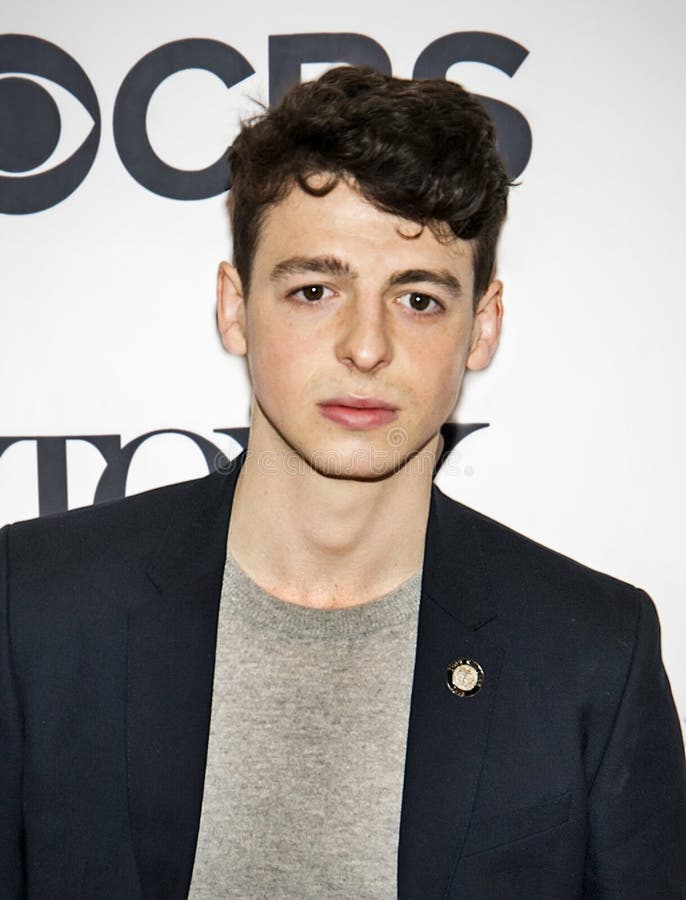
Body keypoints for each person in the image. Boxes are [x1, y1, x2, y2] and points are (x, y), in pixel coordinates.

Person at [1, 66, 684, 900]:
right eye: (316, 290)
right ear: (235, 307)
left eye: (420, 299)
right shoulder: (34, 607)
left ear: (485, 324)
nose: (367, 347)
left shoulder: (594, 656)